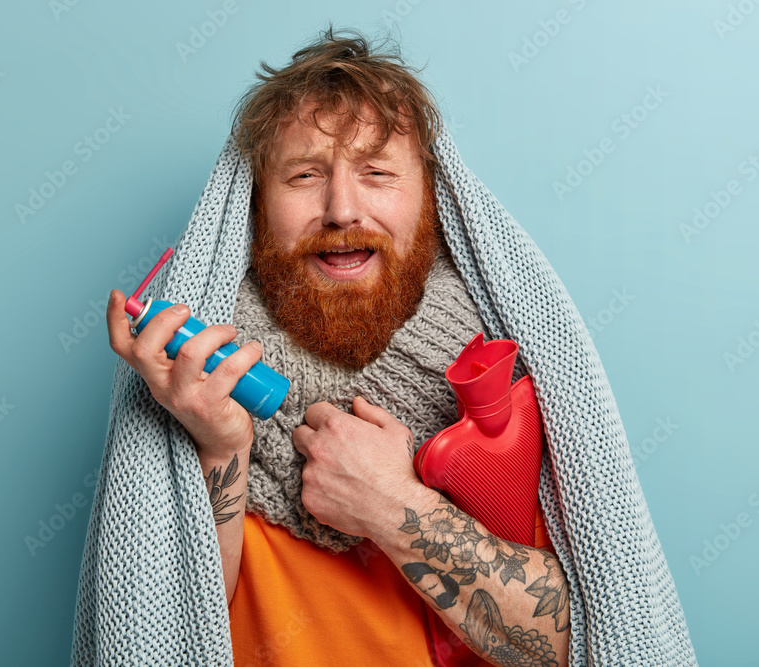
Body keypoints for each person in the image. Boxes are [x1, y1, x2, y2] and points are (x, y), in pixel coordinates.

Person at [106, 27, 570, 667]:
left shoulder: (504, 372)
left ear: (433, 200)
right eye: (303, 175)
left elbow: (579, 642)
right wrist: (219, 444)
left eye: (377, 172)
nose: (342, 210)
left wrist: (393, 505)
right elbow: (156, 637)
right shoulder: (193, 378)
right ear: (253, 205)